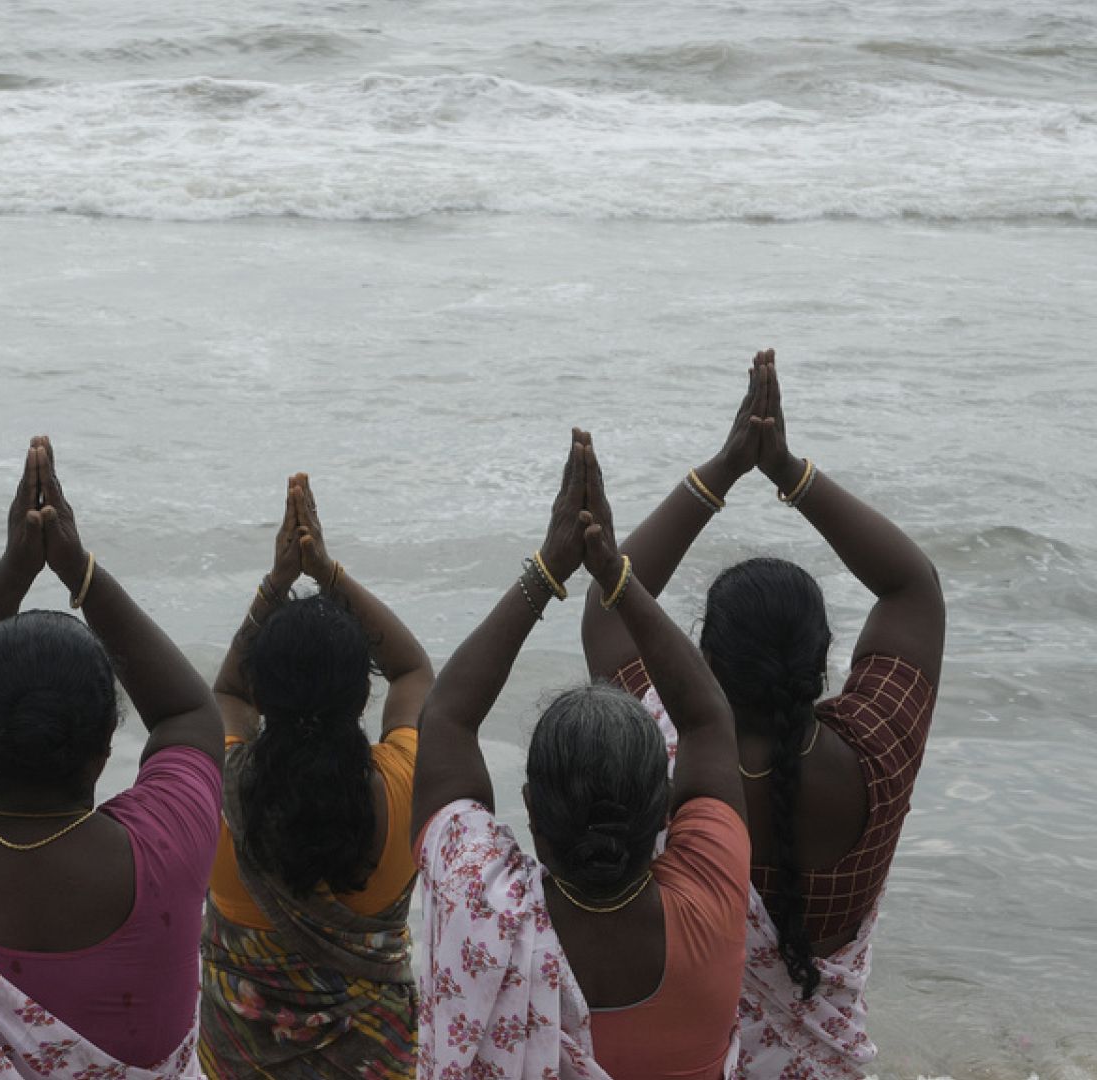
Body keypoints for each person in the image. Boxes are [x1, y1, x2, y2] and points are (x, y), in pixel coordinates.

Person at [579, 353, 944, 1077]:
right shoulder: (881, 745)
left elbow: (609, 607)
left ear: (701, 661)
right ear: (826, 656)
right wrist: (787, 470)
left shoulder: (659, 750)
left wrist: (725, 466)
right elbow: (912, 587)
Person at [0, 437, 224, 1079]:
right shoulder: (166, 850)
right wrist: (76, 567)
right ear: (105, 747)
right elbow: (189, 714)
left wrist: (13, 569)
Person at [413, 431, 751, 1080]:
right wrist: (615, 578)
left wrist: (548, 569)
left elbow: (446, 717)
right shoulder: (710, 900)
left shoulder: (476, 901)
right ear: (664, 815)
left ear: (532, 811)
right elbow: (709, 720)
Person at [200, 475, 431, 1078]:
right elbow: (412, 670)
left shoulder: (220, 798)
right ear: (361, 698)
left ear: (263, 695)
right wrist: (327, 571)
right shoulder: (402, 792)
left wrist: (276, 583)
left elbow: (225, 691)